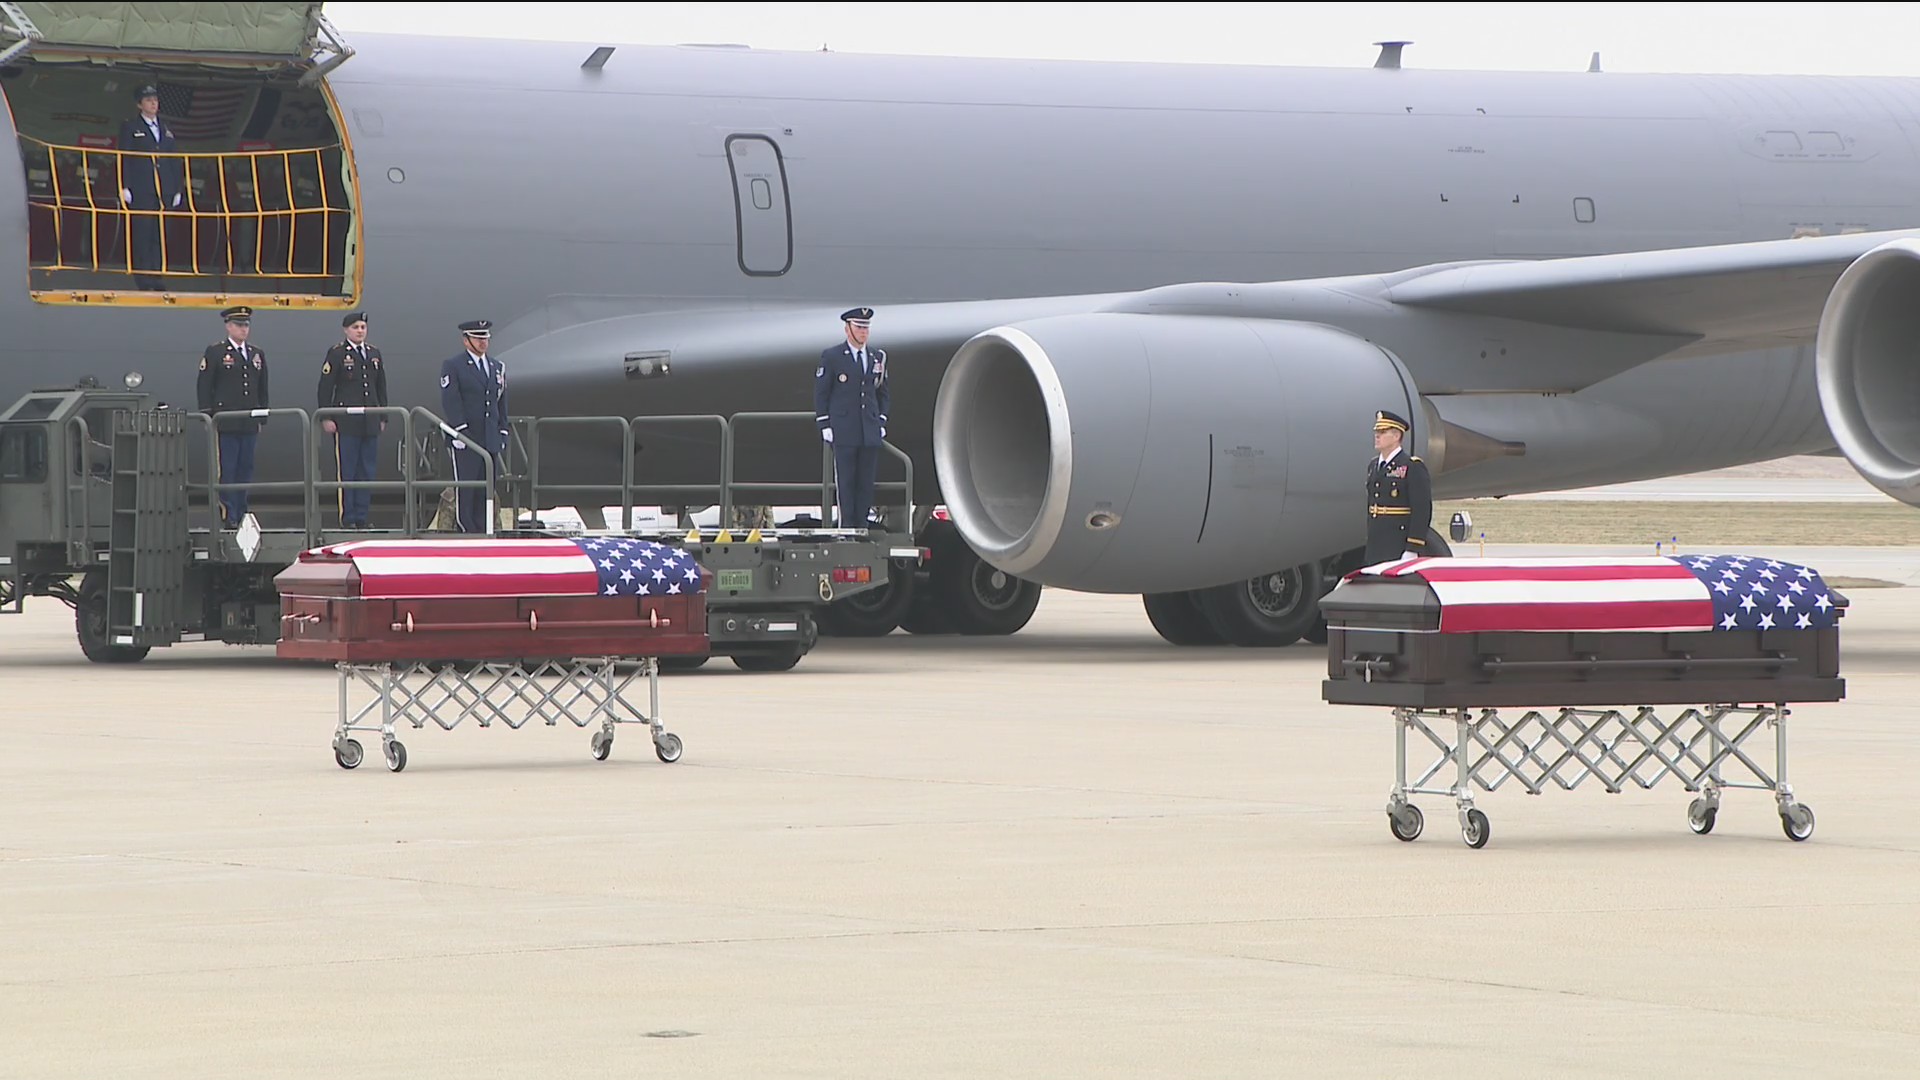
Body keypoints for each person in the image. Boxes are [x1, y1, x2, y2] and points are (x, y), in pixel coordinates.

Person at [814, 306, 890, 530]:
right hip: (844, 427)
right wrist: (825, 423)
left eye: (866, 327)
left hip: (868, 429)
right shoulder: (833, 356)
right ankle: (848, 526)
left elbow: (882, 392)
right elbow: (822, 392)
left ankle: (861, 524)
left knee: (865, 482)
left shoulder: (877, 356)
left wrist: (881, 420)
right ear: (848, 329)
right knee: (846, 481)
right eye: (858, 327)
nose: (863, 332)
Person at [196, 306, 270, 527]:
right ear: (228, 326)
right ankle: (228, 512)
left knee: (245, 467)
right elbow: (205, 385)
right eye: (239, 325)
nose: (243, 329)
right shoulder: (216, 352)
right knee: (228, 469)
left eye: (246, 325)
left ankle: (242, 508)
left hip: (248, 420)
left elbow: (262, 386)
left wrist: (262, 416)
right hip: (226, 420)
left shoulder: (256, 353)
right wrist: (207, 414)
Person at [318, 311, 388, 528]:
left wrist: (382, 415)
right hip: (346, 421)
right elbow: (325, 387)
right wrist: (326, 416)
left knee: (366, 470)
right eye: (356, 327)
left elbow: (380, 387)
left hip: (369, 420)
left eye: (363, 327)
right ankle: (348, 518)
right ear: (346, 330)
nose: (360, 331)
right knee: (348, 470)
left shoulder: (374, 353)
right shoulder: (338, 353)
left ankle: (362, 516)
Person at [439, 319, 509, 533]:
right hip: (467, 436)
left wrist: (503, 430)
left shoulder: (497, 367)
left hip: (489, 435)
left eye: (485, 338)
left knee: (486, 485)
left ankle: (483, 524)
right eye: (478, 338)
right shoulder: (454, 366)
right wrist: (460, 431)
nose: (483, 343)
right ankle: (465, 525)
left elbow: (500, 401)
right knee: (467, 486)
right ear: (466, 340)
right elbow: (451, 400)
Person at [116, 84, 184, 291]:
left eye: (155, 99)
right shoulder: (131, 127)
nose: (153, 103)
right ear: (139, 104)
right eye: (148, 100)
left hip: (164, 189)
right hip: (142, 188)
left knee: (160, 233)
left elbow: (174, 160)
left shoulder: (165, 127)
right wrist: (124, 186)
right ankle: (143, 278)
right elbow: (124, 158)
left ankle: (157, 275)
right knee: (143, 234)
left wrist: (178, 188)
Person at [1365, 409, 1433, 565]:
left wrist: (1413, 548)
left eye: (1382, 431)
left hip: (1398, 544)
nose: (1377, 435)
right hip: (1376, 545)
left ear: (1396, 436)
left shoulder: (1411, 466)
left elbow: (1421, 510)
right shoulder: (1374, 466)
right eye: (1376, 431)